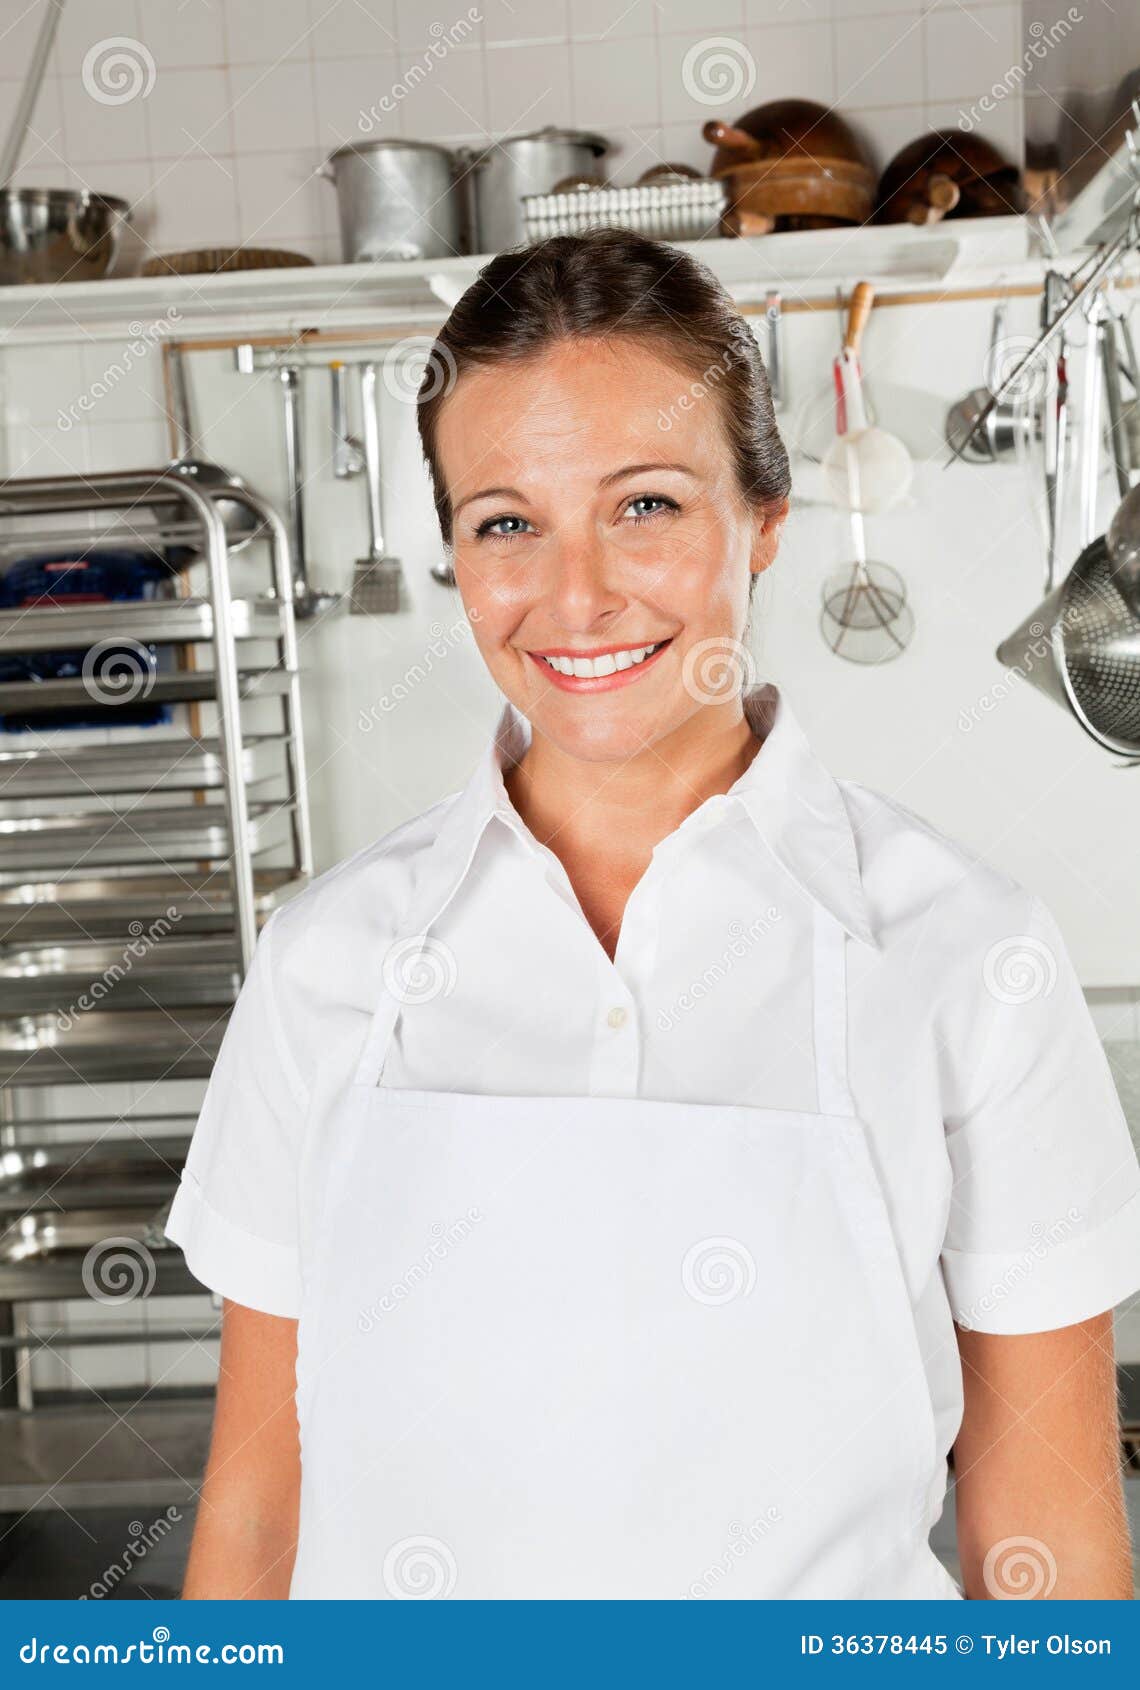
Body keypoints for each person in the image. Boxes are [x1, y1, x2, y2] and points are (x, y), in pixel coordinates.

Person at [166, 229, 1140, 1601]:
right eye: (506, 521)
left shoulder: (972, 956)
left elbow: (1046, 1544)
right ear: (454, 553)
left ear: (767, 517)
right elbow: (261, 1508)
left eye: (646, 506)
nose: (578, 595)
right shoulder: (328, 961)